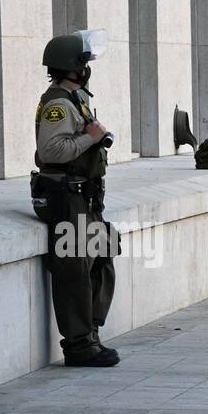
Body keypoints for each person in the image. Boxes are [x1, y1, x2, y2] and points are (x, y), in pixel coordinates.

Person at [30, 30, 120, 367]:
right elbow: (51, 150)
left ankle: (91, 334)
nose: (88, 68)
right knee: (74, 271)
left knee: (100, 257)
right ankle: (79, 345)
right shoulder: (58, 103)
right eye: (84, 62)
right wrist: (89, 138)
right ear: (72, 66)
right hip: (68, 197)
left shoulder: (75, 97)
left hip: (86, 195)